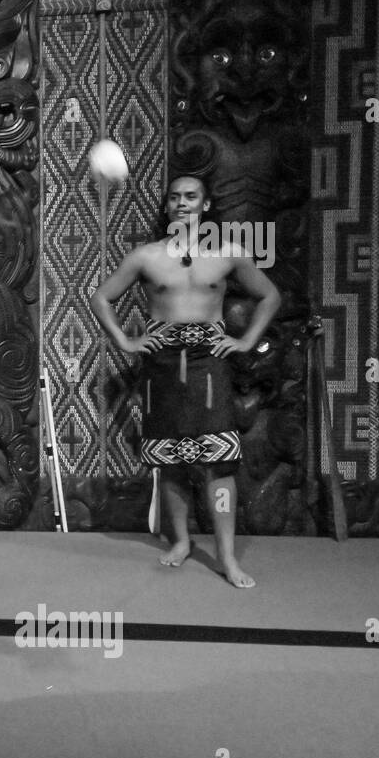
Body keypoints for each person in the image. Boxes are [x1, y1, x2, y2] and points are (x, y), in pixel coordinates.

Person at [90, 175, 280, 588]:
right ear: (167, 207)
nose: (181, 203)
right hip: (161, 366)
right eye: (174, 198)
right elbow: (100, 297)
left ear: (205, 206)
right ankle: (181, 541)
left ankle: (227, 556)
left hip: (209, 364)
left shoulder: (229, 253)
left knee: (219, 463)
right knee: (171, 461)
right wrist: (126, 339)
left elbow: (270, 296)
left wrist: (246, 339)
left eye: (190, 197)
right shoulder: (146, 257)